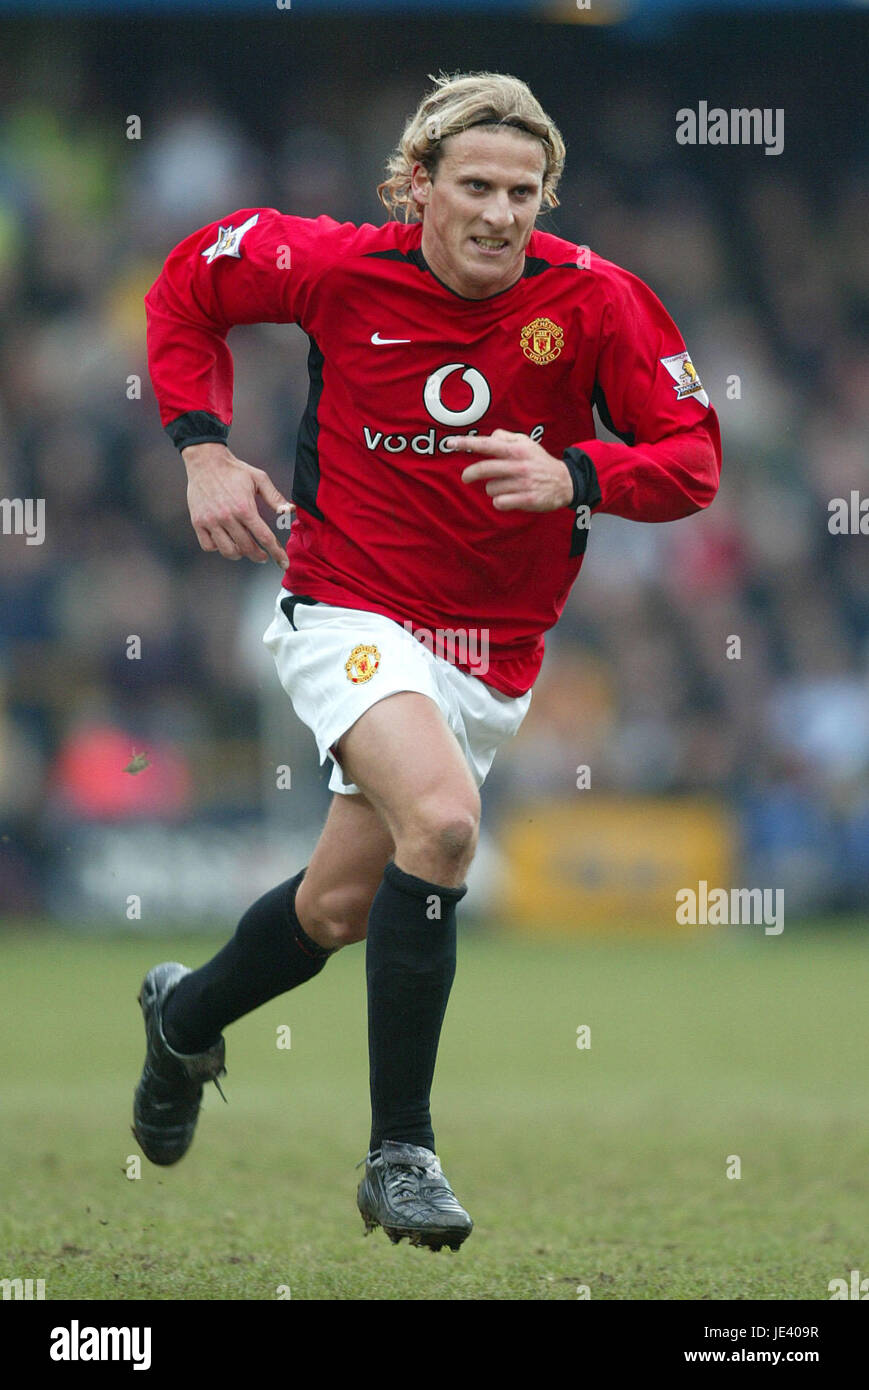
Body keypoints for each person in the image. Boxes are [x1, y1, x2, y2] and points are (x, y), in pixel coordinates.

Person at [134, 70, 721, 1252]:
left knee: (338, 907)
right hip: (346, 609)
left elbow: (692, 454)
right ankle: (399, 1150)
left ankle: (182, 1017)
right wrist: (200, 447)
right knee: (445, 828)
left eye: (522, 191)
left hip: (492, 655)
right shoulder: (333, 267)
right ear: (417, 187)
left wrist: (582, 475)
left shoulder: (598, 300)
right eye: (474, 186)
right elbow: (186, 285)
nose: (499, 214)